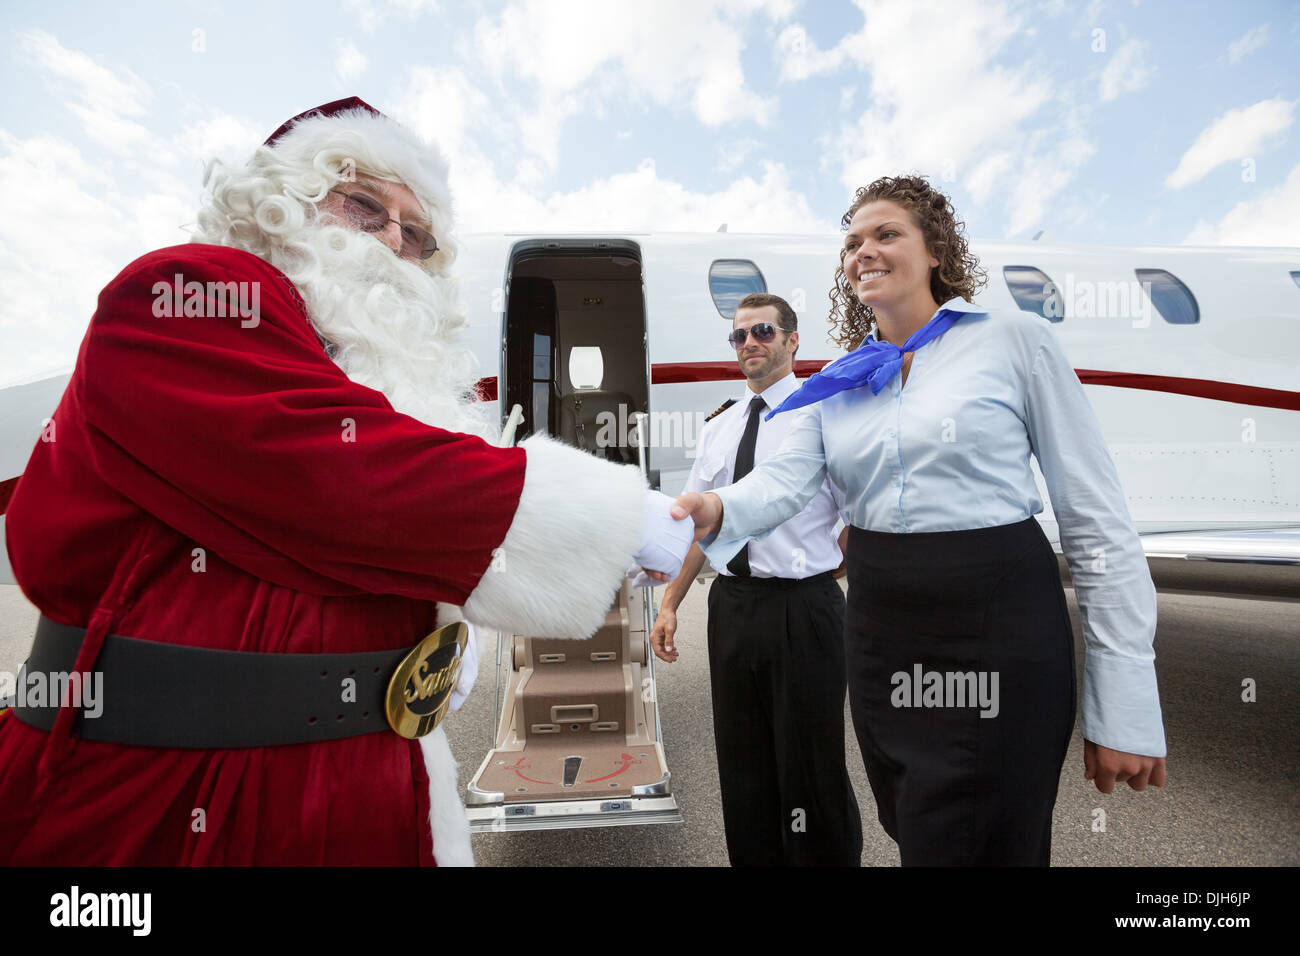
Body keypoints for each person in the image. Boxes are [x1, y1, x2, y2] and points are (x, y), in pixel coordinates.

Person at [0, 97, 688, 866]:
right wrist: (618, 517)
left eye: (417, 232)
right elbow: (338, 478)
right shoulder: (187, 289)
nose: (395, 238)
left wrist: (437, 636)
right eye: (365, 205)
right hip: (169, 797)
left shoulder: (364, 368)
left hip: (366, 786)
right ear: (283, 204)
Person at [672, 175, 1167, 866]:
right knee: (915, 821)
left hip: (994, 619)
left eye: (885, 234)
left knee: (980, 836)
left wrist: (1126, 700)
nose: (863, 251)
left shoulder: (1014, 341)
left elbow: (1095, 518)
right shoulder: (843, 377)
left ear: (934, 249)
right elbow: (789, 481)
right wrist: (720, 507)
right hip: (881, 630)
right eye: (851, 242)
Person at [650, 293, 861, 867]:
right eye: (739, 335)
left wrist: (831, 570)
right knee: (742, 761)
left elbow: (857, 517)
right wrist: (669, 603)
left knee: (810, 764)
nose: (749, 343)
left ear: (792, 341)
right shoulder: (720, 426)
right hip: (734, 607)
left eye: (763, 332)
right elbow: (699, 523)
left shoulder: (820, 414)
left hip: (803, 608)